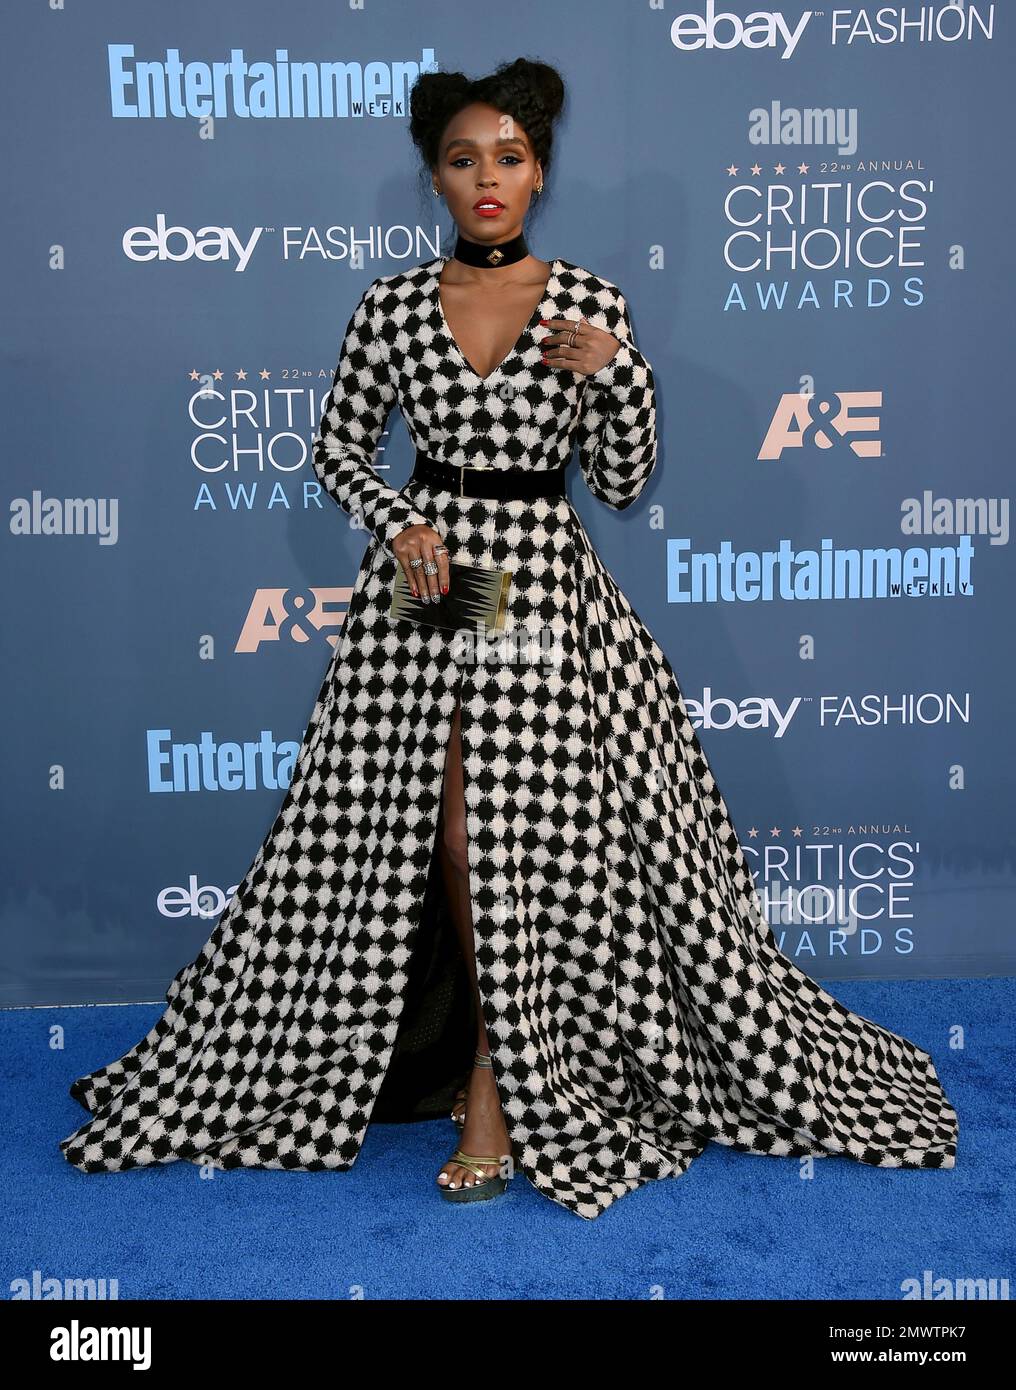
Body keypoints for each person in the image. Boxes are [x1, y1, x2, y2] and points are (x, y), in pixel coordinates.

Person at [59, 58, 958, 1219]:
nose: (487, 179)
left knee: (508, 837)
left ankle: (496, 1083)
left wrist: (622, 376)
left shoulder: (587, 303)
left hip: (533, 582)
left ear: (539, 171)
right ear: (432, 176)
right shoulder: (390, 305)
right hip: (428, 591)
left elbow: (621, 485)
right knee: (418, 838)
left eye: (510, 157)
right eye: (462, 158)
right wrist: (398, 519)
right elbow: (336, 451)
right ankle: (420, 1055)